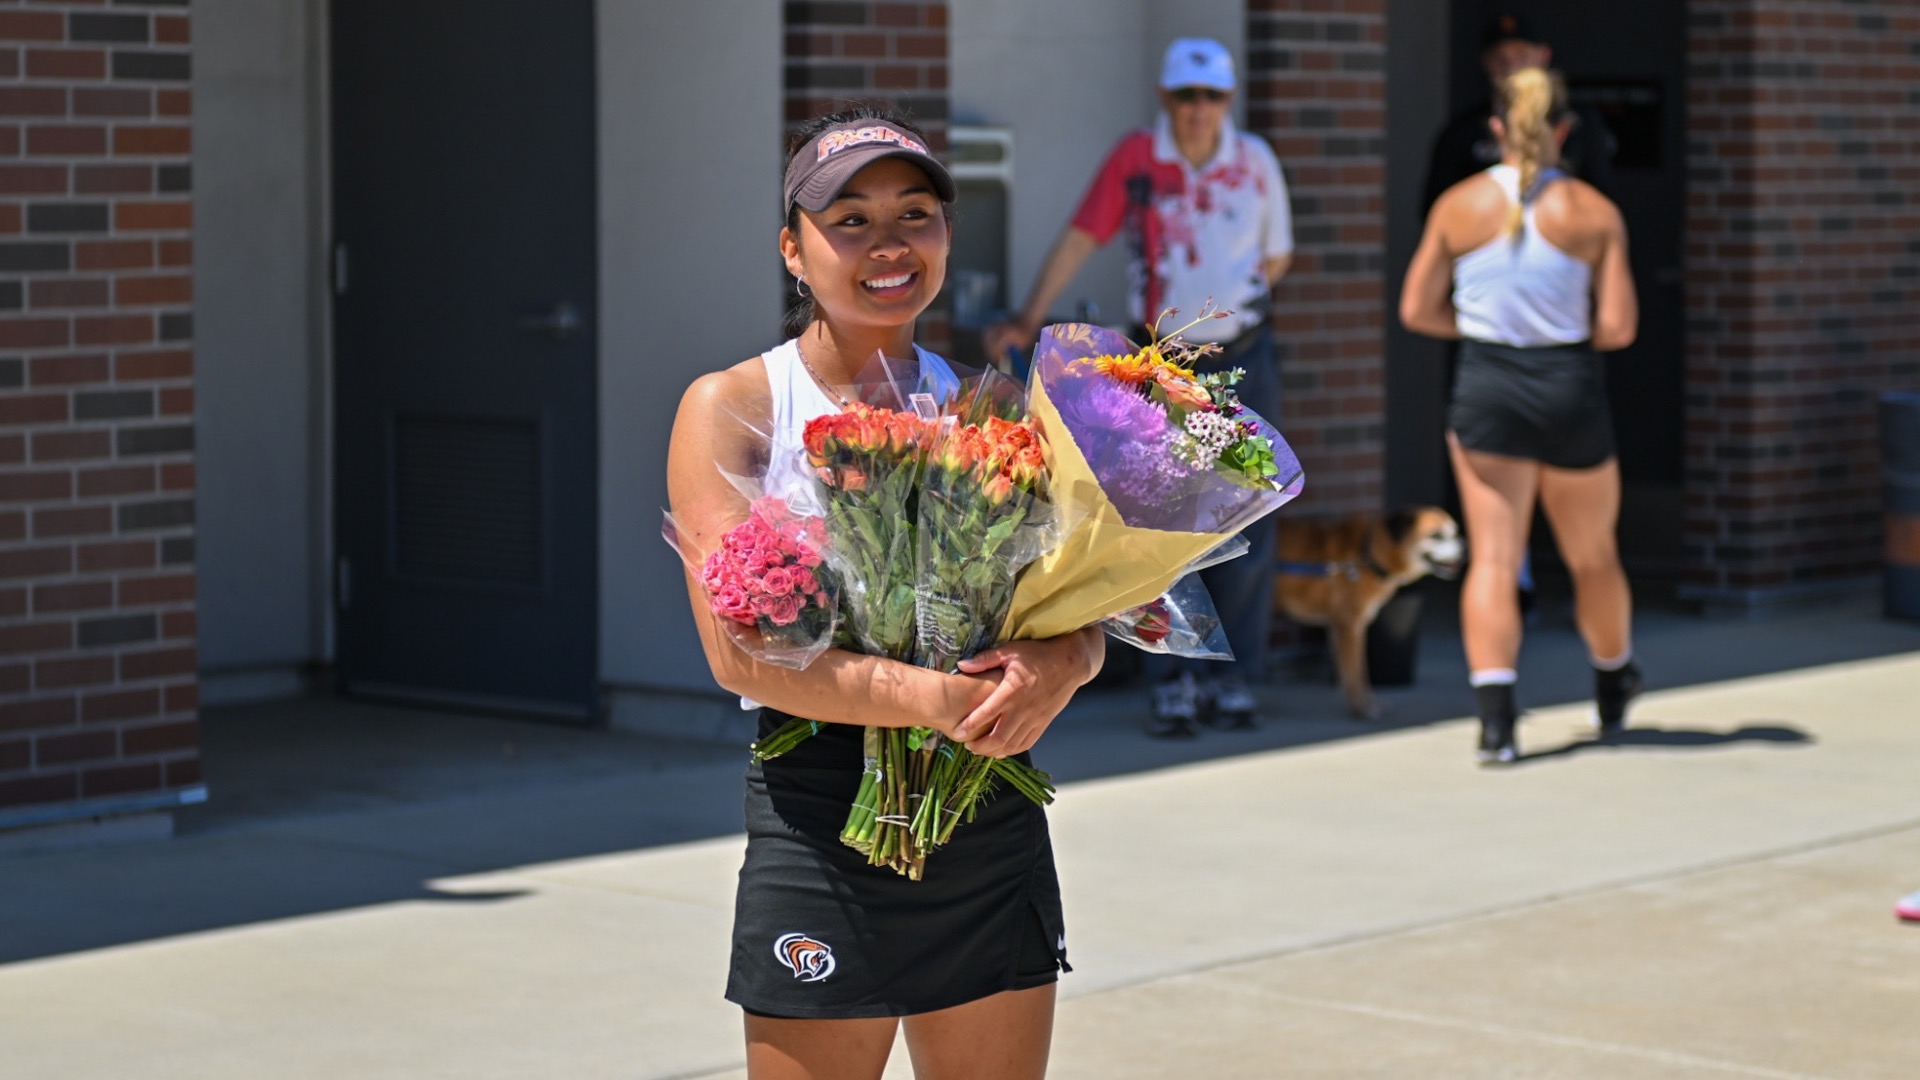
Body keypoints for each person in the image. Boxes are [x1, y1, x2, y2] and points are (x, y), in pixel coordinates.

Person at [667, 103, 1105, 1079]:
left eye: (915, 213)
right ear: (793, 247)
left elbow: (1082, 610)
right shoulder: (734, 407)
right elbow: (737, 651)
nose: (888, 242)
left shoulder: (988, 407)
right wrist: (935, 700)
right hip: (821, 820)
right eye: (849, 218)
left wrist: (1058, 663)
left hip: (983, 812)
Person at [984, 37, 1294, 738]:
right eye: (1185, 96)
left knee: (1251, 512)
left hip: (1242, 352)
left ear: (1229, 101)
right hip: (1160, 363)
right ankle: (1173, 675)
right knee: (1155, 523)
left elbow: (1278, 252)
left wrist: (1233, 306)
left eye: (1210, 97)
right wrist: (1031, 316)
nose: (1197, 111)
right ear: (1166, 99)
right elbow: (1081, 236)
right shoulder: (1137, 158)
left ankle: (1234, 676)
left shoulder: (1254, 162)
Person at [1398, 67, 1642, 765]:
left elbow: (1416, 310)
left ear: (1496, 129)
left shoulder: (1457, 204)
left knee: (1496, 557)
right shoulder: (1595, 211)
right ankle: (1612, 683)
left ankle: (1497, 727)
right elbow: (1619, 326)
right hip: (1568, 385)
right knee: (1593, 556)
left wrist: (1480, 327)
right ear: (1564, 129)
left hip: (1487, 384)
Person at [1422, 11, 1617, 212]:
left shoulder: (1581, 123)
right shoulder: (1462, 131)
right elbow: (1436, 210)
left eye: (1522, 55)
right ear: (1497, 129)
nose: (1512, 67)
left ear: (1560, 132)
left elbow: (1603, 205)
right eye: (1500, 58)